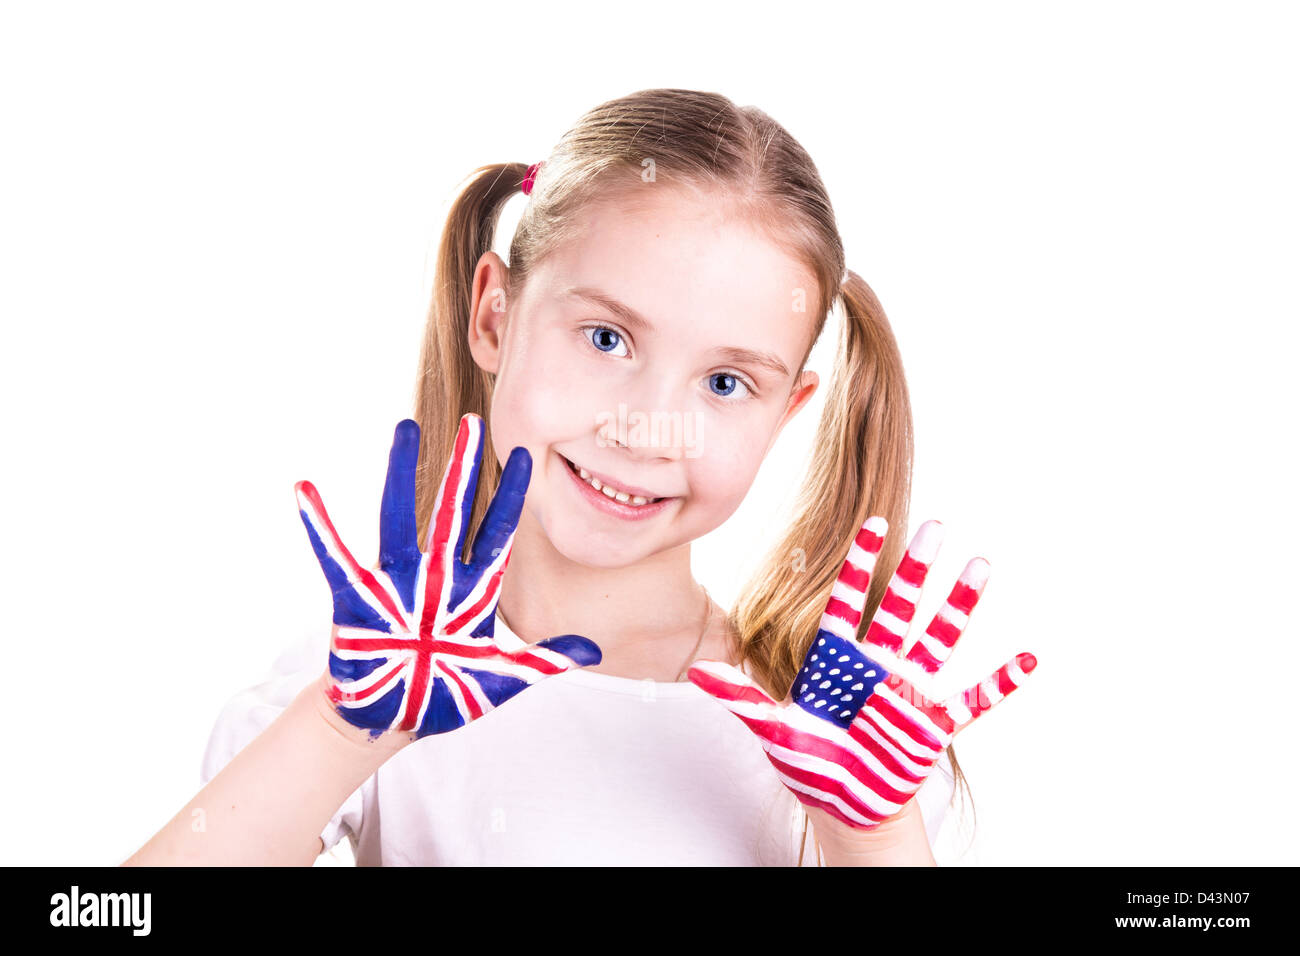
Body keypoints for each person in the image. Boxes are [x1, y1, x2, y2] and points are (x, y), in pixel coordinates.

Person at [124, 88, 1034, 867]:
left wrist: (867, 835)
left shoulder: (830, 734)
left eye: (725, 383)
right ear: (493, 315)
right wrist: (341, 732)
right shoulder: (373, 688)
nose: (643, 426)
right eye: (607, 339)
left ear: (785, 413)